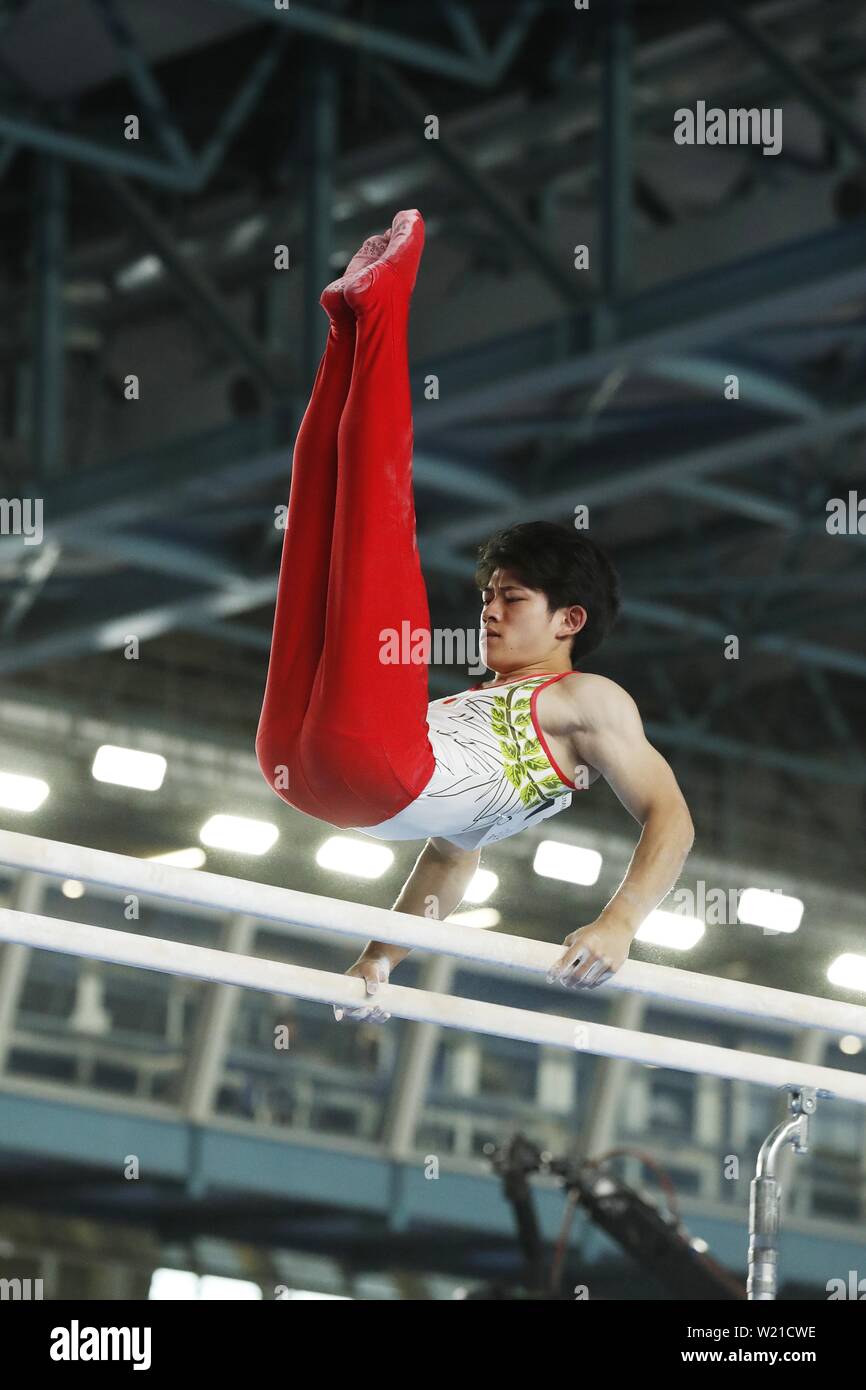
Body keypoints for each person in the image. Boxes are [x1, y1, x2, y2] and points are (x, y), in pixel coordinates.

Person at [255, 209, 694, 1024]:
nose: (488, 612)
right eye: (488, 594)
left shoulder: (586, 703)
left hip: (366, 765)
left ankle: (384, 306)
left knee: (378, 516)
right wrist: (384, 958)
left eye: (512, 599)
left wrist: (621, 921)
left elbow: (672, 816)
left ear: (570, 620)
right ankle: (348, 320)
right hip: (301, 762)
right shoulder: (474, 708)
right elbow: (451, 862)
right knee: (318, 519)